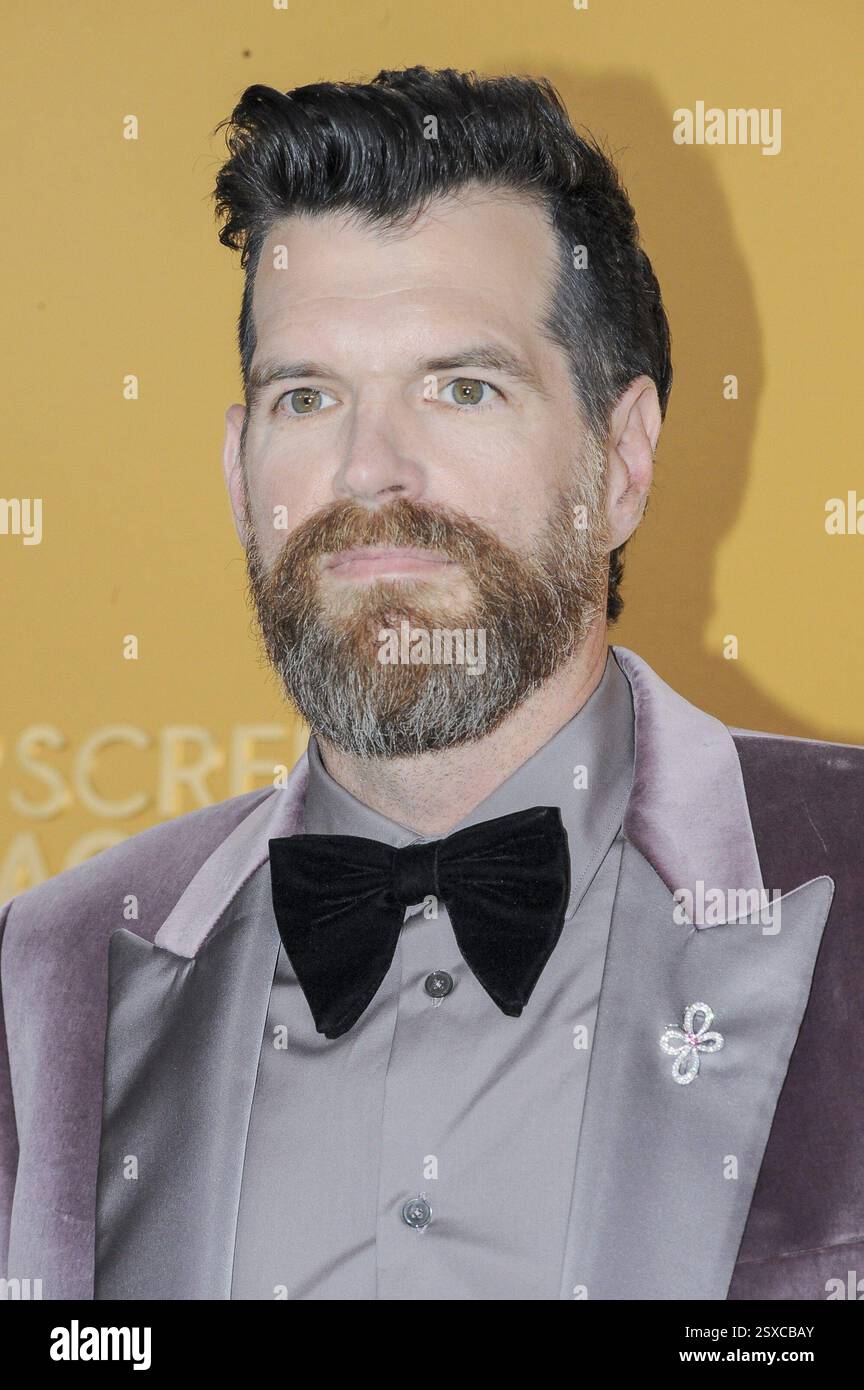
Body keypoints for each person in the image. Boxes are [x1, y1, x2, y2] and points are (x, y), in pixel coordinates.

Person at [1, 67, 861, 1302]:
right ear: (242, 465)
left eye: (463, 387)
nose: (371, 472)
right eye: (309, 397)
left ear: (622, 463)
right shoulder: (55, 972)